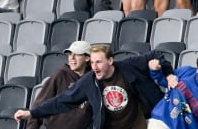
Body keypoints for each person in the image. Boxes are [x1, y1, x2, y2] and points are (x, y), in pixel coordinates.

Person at [16, 45, 172, 129]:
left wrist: (168, 73)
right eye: (92, 62)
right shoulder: (89, 81)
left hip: (139, 124)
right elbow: (63, 100)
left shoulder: (128, 67)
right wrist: (32, 113)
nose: (94, 66)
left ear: (110, 61)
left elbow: (155, 55)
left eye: (98, 62)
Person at [26, 40, 94, 129]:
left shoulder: (93, 79)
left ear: (87, 58)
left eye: (77, 54)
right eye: (70, 54)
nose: (72, 57)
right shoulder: (59, 75)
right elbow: (39, 105)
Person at [147, 52, 198, 129]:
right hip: (160, 121)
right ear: (197, 69)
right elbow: (164, 81)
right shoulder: (185, 72)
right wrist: (155, 71)